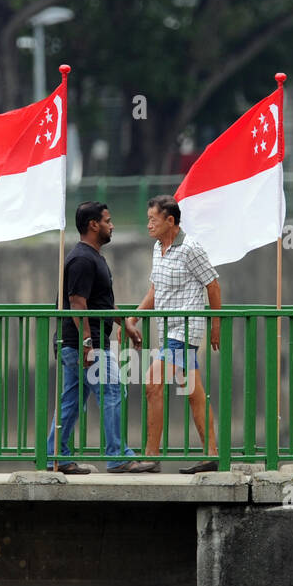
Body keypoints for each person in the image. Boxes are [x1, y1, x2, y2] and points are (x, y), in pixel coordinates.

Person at [46, 201, 149, 474]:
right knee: (113, 390)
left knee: (71, 400)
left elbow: (101, 303)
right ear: (93, 224)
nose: (112, 225)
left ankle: (55, 457)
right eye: (108, 220)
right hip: (83, 345)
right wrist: (88, 344)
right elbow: (77, 302)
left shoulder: (93, 257)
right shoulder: (81, 259)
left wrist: (125, 324)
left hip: (77, 344)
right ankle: (118, 457)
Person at [128, 195, 222, 474]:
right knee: (194, 393)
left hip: (184, 330)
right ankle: (212, 454)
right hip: (168, 329)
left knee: (152, 383)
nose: (149, 225)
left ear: (170, 221)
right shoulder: (158, 248)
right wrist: (132, 318)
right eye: (147, 220)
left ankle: (151, 455)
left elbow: (213, 285)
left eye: (153, 220)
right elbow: (154, 292)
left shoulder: (191, 247)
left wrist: (215, 325)